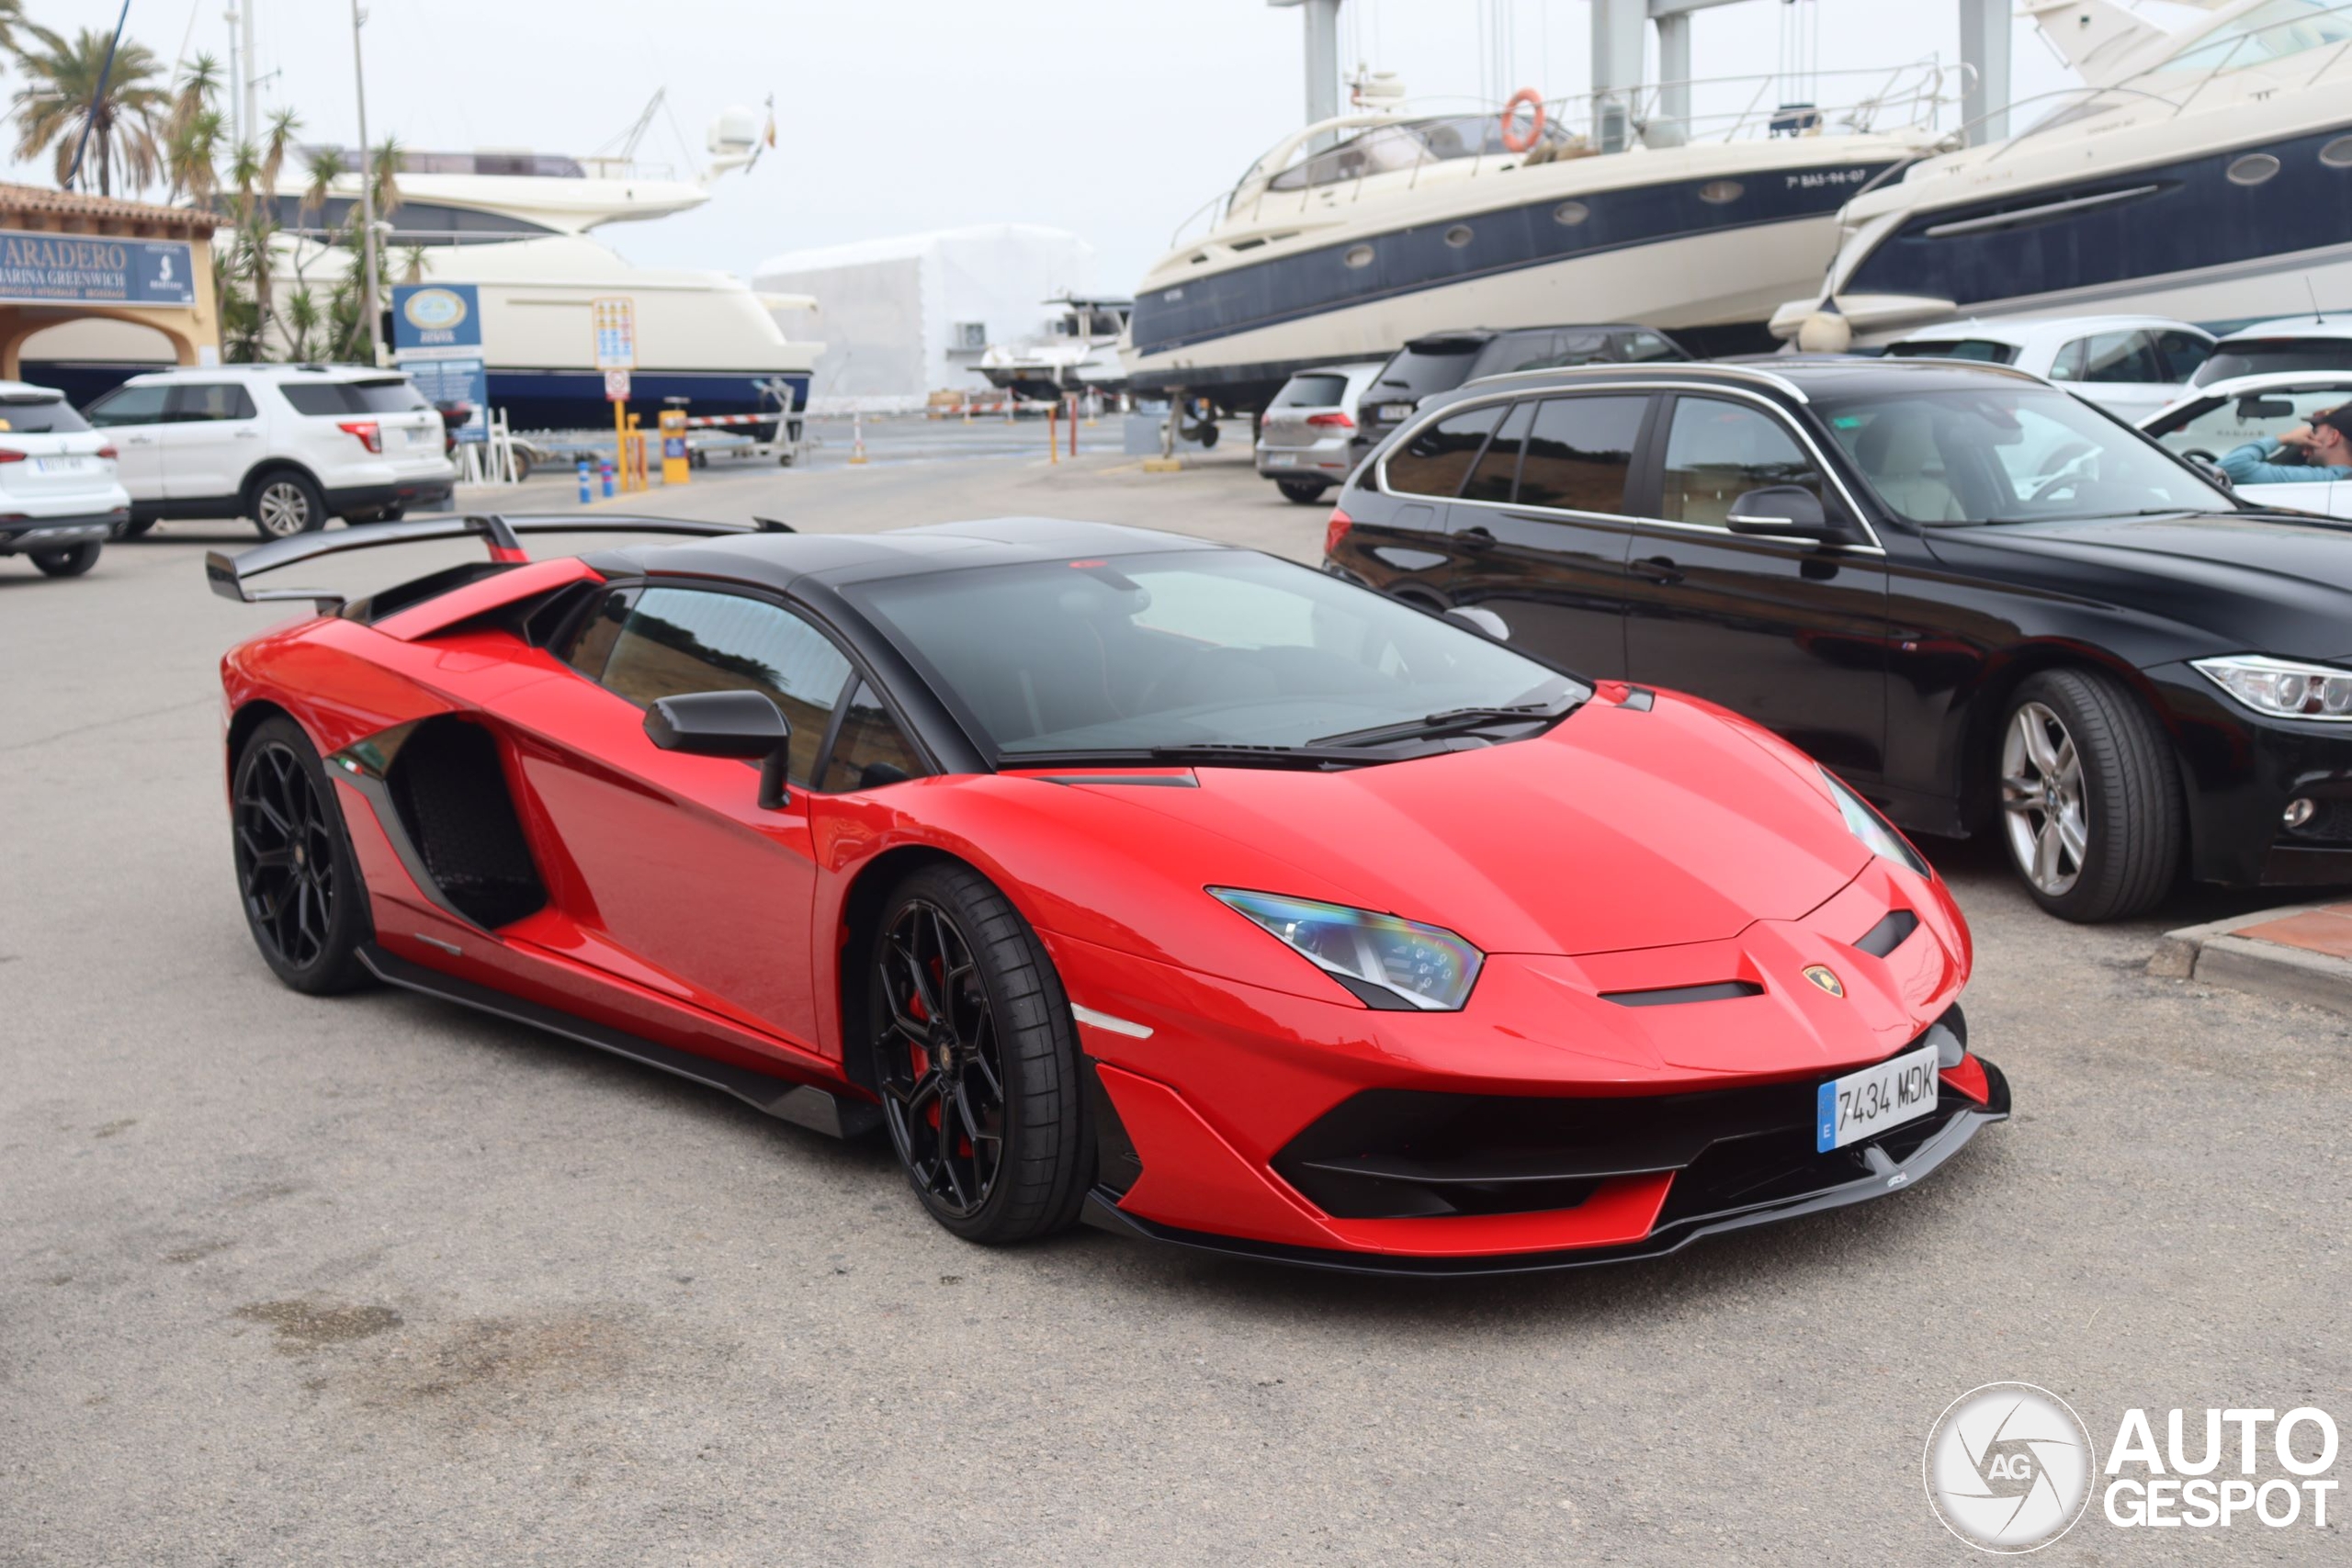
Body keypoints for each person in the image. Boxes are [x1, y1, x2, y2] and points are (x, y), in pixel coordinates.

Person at [2218, 403, 2352, 484]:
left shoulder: (2324, 479)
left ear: (2333, 437)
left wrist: (2284, 438)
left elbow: (2230, 467)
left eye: (2315, 432)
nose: (2309, 438)